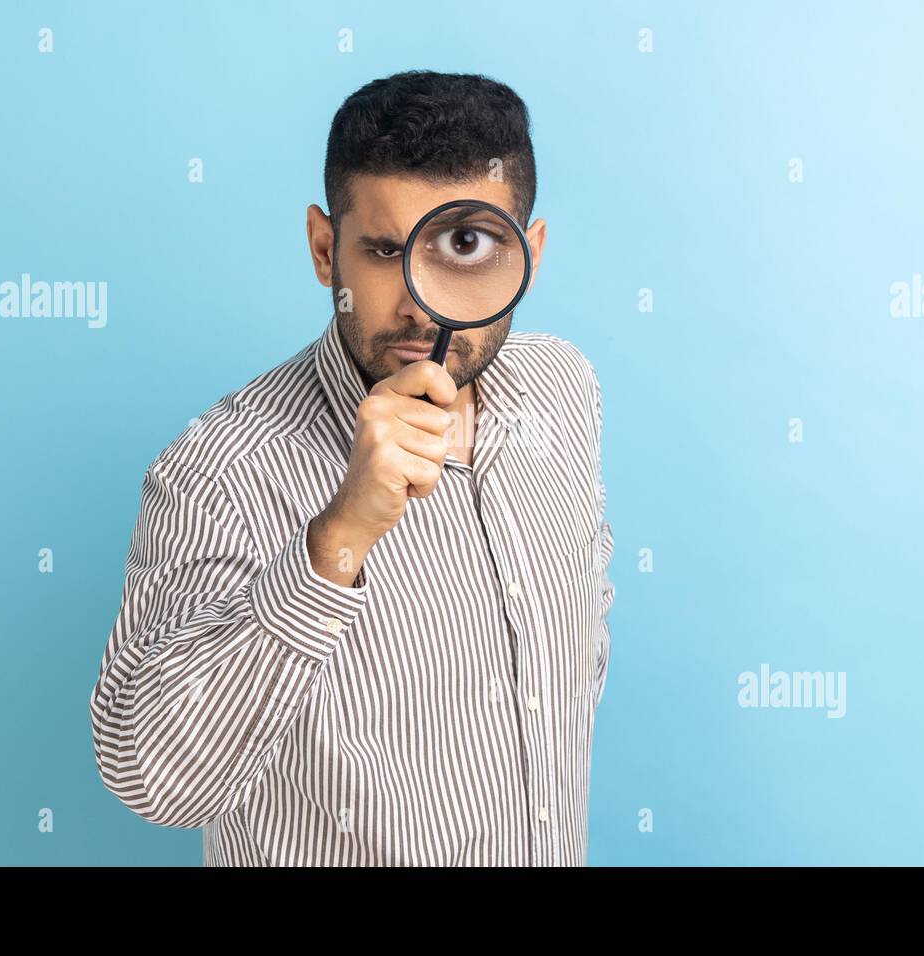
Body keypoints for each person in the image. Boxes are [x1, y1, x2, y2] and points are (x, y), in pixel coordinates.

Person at [89, 69, 614, 866]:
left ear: (527, 256)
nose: (421, 304)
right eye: (382, 250)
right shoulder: (219, 470)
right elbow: (153, 780)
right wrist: (336, 544)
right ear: (324, 248)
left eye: (466, 246)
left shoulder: (561, 389)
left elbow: (580, 623)